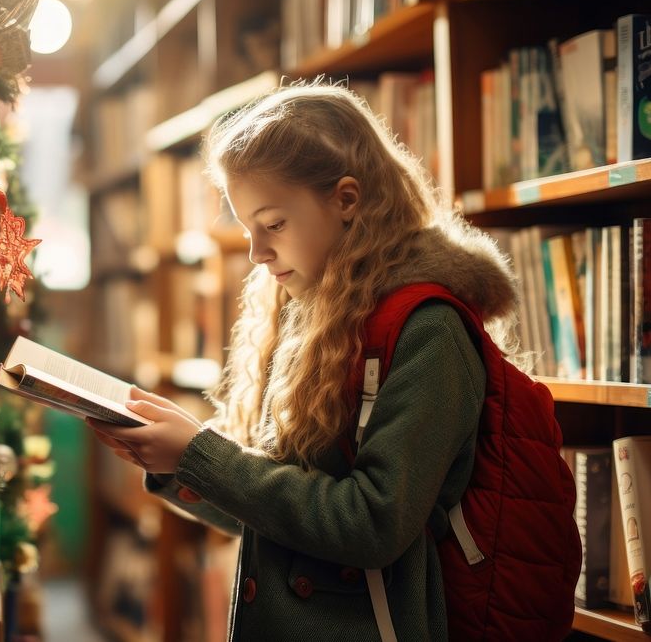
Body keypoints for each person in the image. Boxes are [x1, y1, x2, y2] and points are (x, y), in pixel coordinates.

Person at [87, 80, 521, 640]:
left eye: (273, 224)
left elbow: (372, 523)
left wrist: (202, 455)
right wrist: (176, 461)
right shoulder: (308, 314)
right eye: (247, 229)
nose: (256, 252)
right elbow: (277, 518)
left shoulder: (428, 330)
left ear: (346, 199)